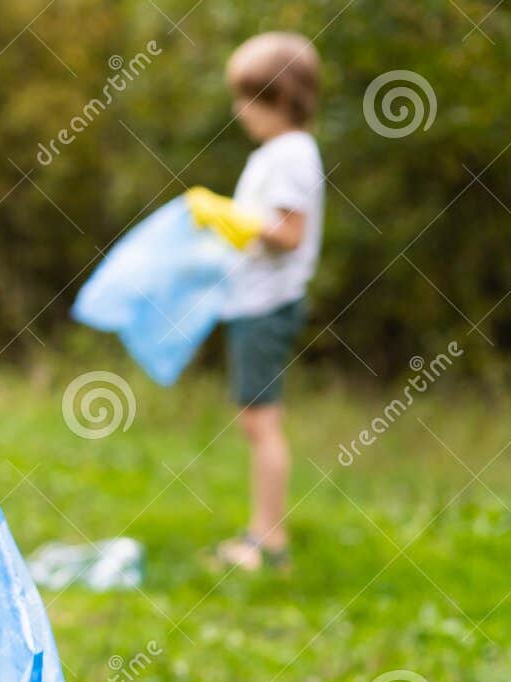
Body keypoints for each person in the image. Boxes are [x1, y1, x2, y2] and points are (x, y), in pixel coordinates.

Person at [209, 32, 324, 573]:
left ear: (281, 99)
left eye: (249, 98)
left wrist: (234, 219)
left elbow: (290, 232)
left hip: (265, 305)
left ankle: (267, 540)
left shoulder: (290, 155)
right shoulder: (278, 154)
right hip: (254, 302)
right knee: (256, 421)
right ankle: (264, 534)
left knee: (261, 424)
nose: (240, 111)